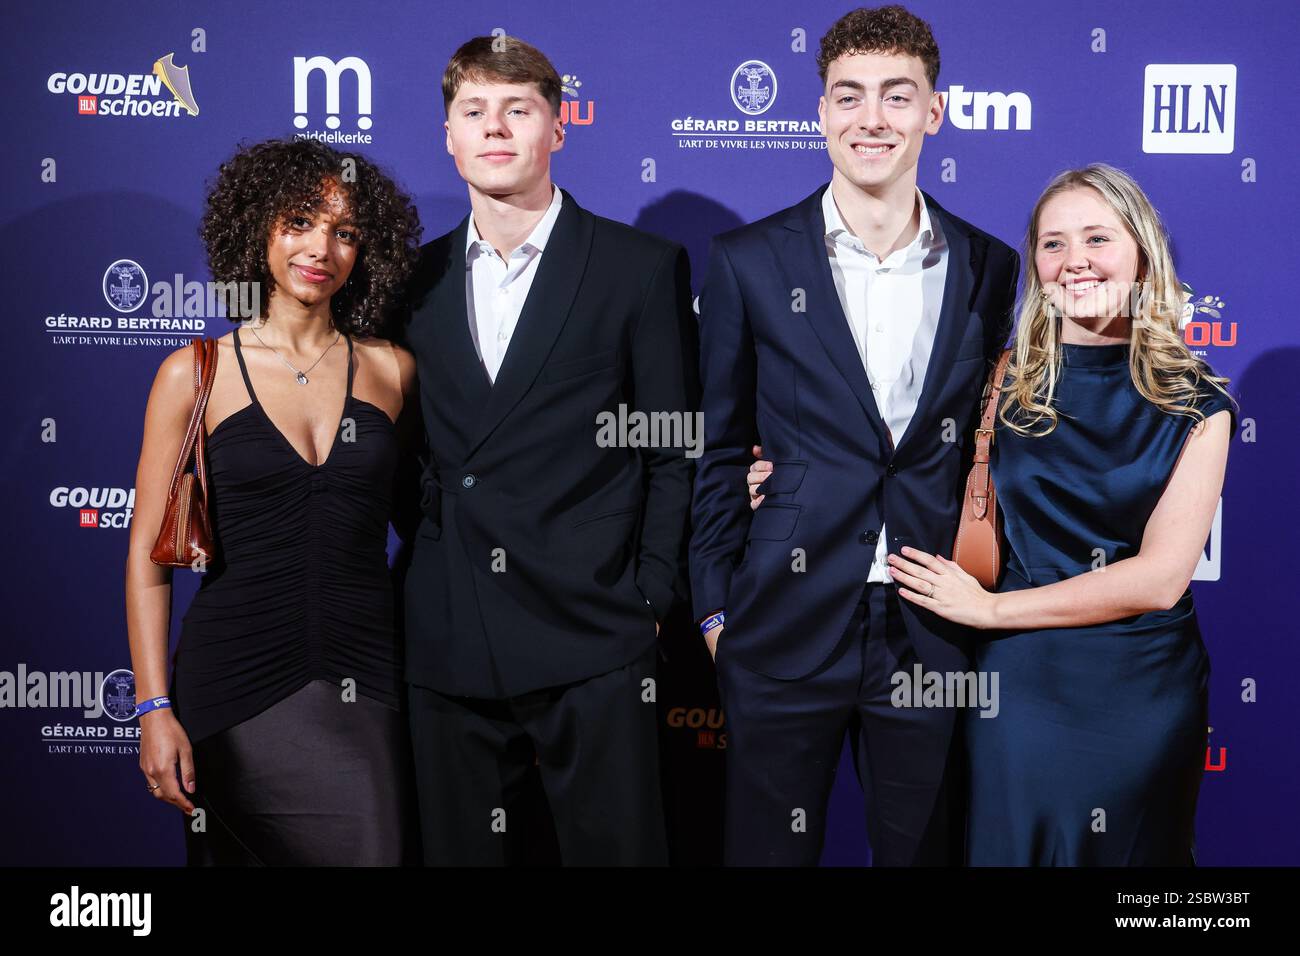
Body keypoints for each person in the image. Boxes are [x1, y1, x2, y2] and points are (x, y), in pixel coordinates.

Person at [749, 164, 1237, 865]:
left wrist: (991, 612)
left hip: (1140, 692)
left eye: (1097, 239)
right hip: (1016, 690)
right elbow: (890, 464)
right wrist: (786, 479)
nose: (1075, 262)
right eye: (1053, 243)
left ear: (1141, 252)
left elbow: (1160, 578)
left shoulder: (1197, 405)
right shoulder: (999, 381)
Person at [690, 5, 1019, 866]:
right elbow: (717, 448)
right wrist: (720, 613)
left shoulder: (991, 265)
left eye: (897, 96)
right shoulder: (748, 260)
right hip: (782, 618)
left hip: (930, 618)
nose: (872, 118)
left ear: (934, 112)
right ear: (823, 112)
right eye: (850, 96)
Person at [397, 35, 697, 865]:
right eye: (475, 112)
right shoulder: (406, 284)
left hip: (595, 628)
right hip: (448, 629)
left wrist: (648, 596)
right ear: (447, 135)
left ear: (556, 129)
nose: (496, 129)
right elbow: (402, 457)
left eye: (518, 110)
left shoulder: (638, 268)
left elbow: (674, 448)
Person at [125, 138, 425, 865]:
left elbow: (434, 520)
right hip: (231, 685)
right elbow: (145, 559)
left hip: (367, 679)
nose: (320, 247)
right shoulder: (194, 373)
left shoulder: (391, 369)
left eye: (345, 231)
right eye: (298, 221)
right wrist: (154, 708)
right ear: (258, 227)